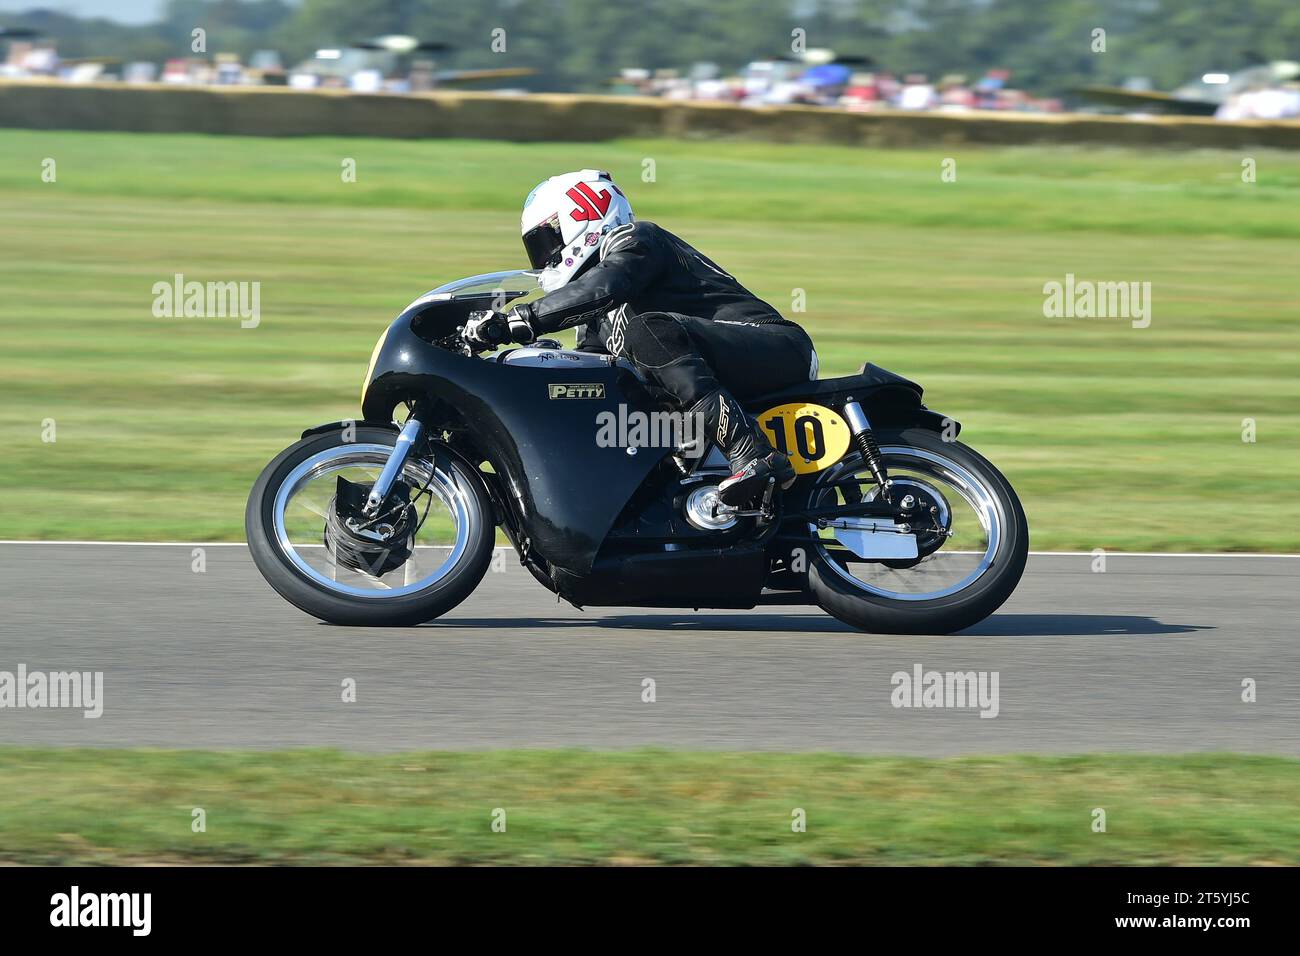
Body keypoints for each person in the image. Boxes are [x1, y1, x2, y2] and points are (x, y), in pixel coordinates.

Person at [464, 169, 817, 506]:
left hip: (776, 346)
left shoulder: (636, 239)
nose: (544, 257)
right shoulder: (594, 321)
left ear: (585, 214)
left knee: (648, 330)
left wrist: (517, 321)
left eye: (546, 241)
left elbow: (605, 286)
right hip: (728, 367)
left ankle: (753, 452)